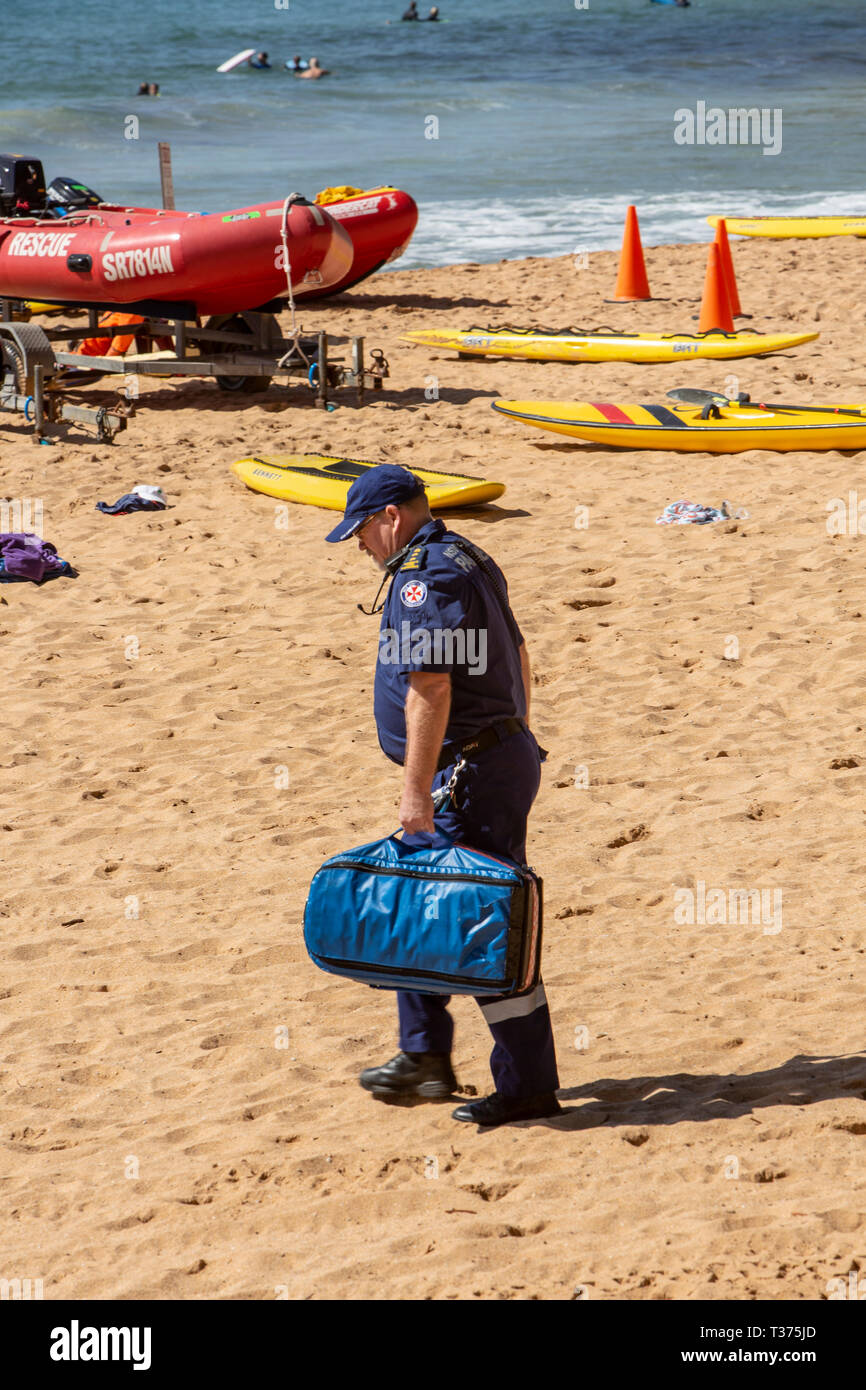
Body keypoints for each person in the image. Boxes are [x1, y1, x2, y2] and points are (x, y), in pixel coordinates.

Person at [325, 466, 561, 1127]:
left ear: (391, 519)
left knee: (473, 920)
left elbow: (431, 686)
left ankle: (514, 1081)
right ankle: (425, 1054)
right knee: (433, 906)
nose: (362, 548)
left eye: (363, 533)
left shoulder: (425, 577)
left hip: (471, 769)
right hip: (494, 757)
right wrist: (520, 731)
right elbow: (517, 650)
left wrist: (415, 797)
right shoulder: (469, 557)